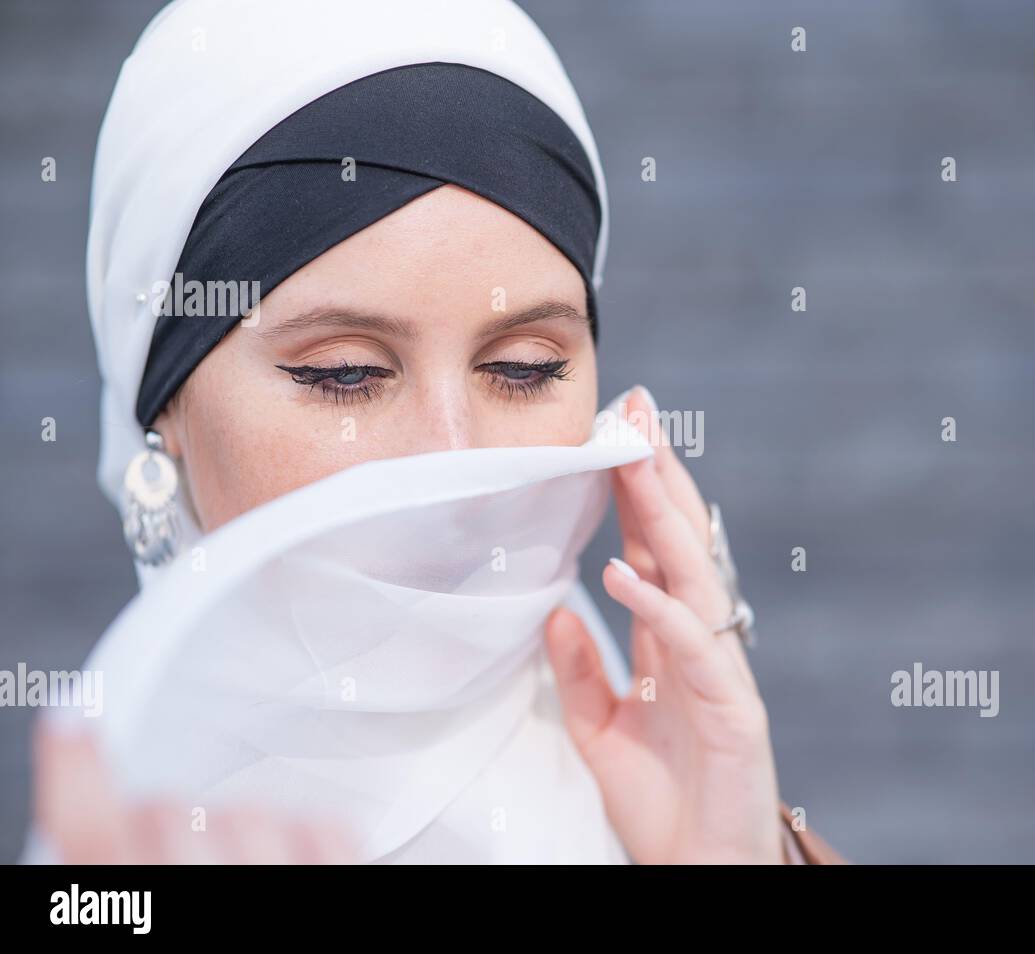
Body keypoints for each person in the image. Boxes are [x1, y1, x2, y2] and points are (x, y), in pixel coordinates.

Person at [30, 0, 846, 865]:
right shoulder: (116, 839)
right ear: (168, 406)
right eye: (344, 374)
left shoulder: (650, 769)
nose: (454, 458)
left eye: (524, 367)